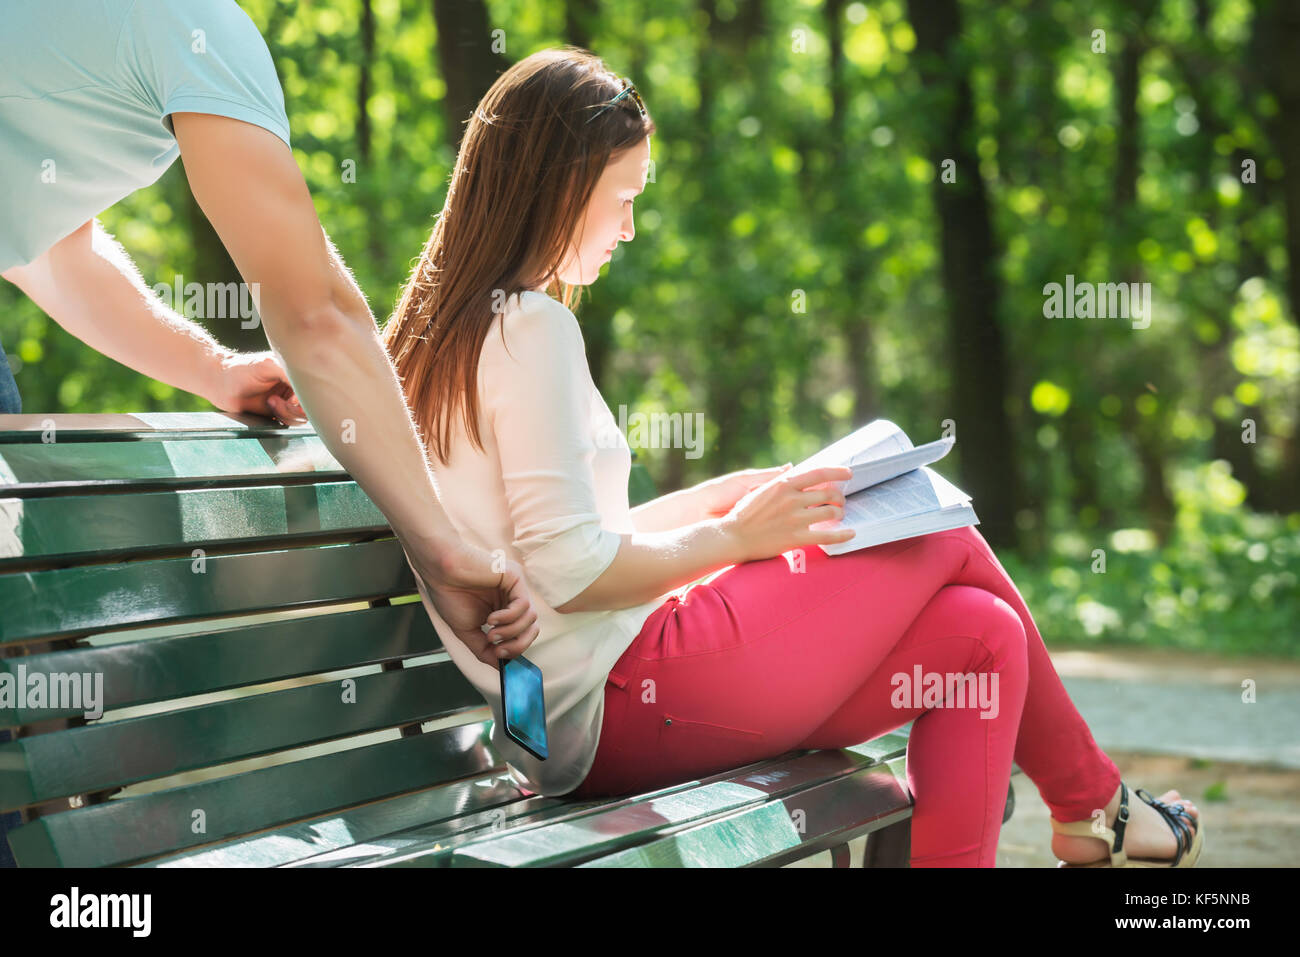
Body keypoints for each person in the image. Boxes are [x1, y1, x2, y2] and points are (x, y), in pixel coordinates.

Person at [381, 45, 1205, 867]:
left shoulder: (445, 338)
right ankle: (1097, 806)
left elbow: (560, 539)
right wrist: (736, 537)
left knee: (979, 640)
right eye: (622, 199)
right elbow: (569, 570)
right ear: (560, 187)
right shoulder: (532, 327)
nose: (630, 227)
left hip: (574, 714)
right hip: (621, 698)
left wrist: (722, 499)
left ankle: (1088, 814)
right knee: (940, 534)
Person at [0, 0, 539, 867]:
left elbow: (55, 252)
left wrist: (211, 369)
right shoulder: (191, 24)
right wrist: (442, 544)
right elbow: (318, 316)